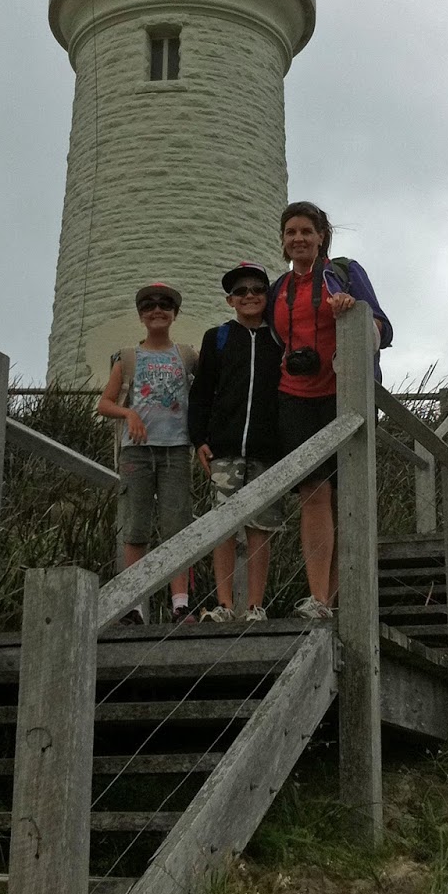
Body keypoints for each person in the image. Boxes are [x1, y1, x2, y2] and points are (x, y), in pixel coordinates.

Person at [268, 201, 392, 620]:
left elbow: (383, 328)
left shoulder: (344, 272)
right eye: (291, 232)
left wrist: (353, 310)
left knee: (344, 497)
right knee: (313, 494)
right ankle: (319, 599)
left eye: (306, 231)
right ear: (282, 240)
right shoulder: (278, 289)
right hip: (294, 397)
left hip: (343, 394)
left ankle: (339, 601)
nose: (298, 238)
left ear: (322, 236)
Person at [188, 261, 284, 624]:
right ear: (230, 300)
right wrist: (198, 438)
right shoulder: (218, 337)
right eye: (240, 291)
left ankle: (255, 606)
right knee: (224, 526)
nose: (249, 296)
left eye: (257, 289)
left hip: (267, 449)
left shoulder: (279, 339)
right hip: (224, 448)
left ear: (267, 296)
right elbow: (202, 392)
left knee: (261, 528)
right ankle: (225, 605)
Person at [96, 282, 198, 621]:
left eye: (165, 305)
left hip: (176, 449)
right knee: (135, 528)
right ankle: (135, 606)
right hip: (136, 452)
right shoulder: (127, 357)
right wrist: (129, 413)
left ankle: (180, 604)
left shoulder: (187, 355)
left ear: (175, 313)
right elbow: (105, 403)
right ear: (141, 315)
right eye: (149, 306)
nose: (157, 310)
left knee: (177, 527)